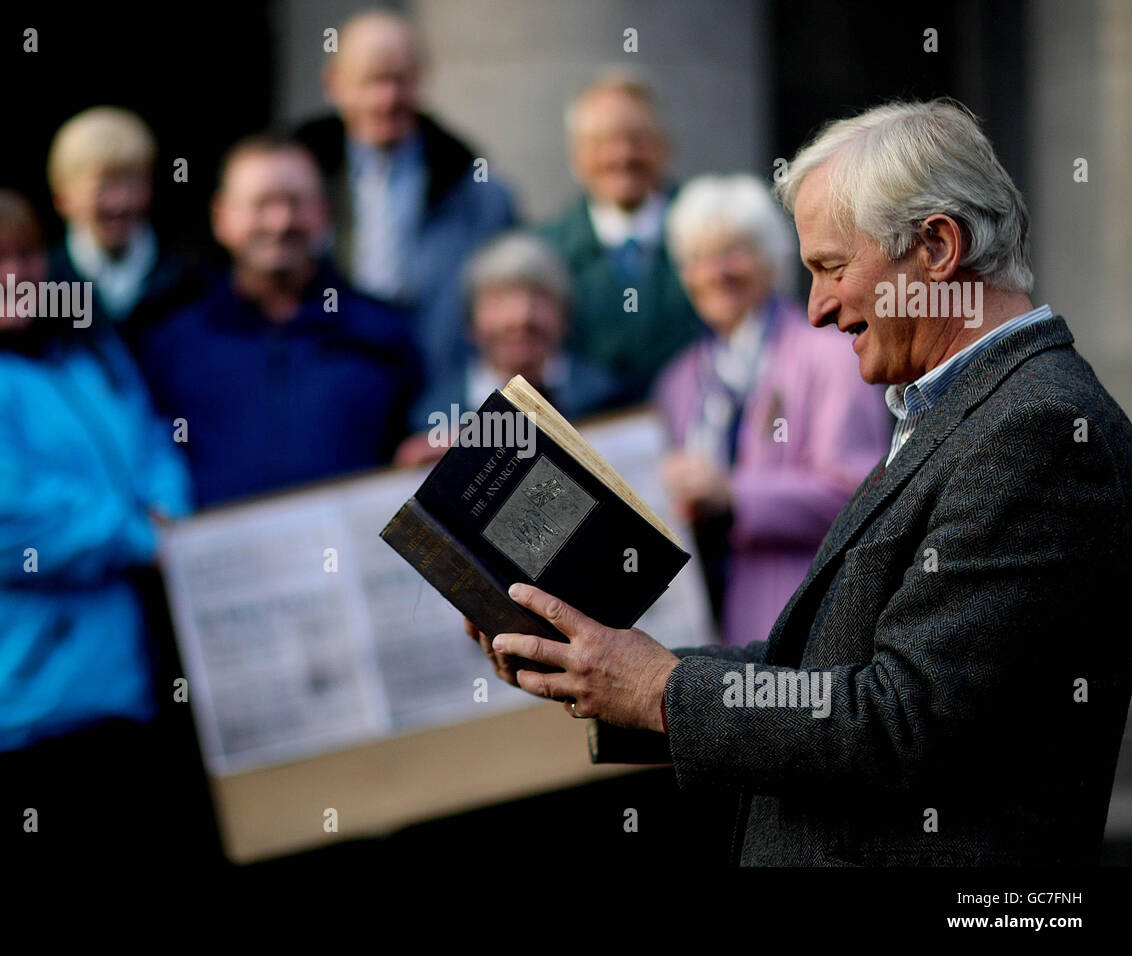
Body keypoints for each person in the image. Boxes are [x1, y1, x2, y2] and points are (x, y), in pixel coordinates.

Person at [466, 100, 1132, 866]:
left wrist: (661, 691)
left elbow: (898, 719)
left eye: (831, 267)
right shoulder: (968, 404)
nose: (816, 308)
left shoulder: (1036, 428)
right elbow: (826, 675)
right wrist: (604, 667)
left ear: (938, 249)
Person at [0, 189, 198, 873]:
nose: (13, 275)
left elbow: (151, 446)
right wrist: (142, 537)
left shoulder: (84, 359)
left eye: (26, 255)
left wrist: (171, 514)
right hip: (11, 711)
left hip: (111, 698)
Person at [654, 174, 890, 646]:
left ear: (772, 259)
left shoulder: (832, 357)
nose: (715, 272)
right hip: (698, 634)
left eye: (733, 252)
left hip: (807, 626)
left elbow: (860, 494)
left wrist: (732, 496)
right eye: (698, 258)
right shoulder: (676, 382)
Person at [138, 136, 421, 507]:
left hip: (354, 557)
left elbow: (419, 444)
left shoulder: (384, 331)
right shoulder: (173, 341)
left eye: (295, 203)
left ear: (323, 213)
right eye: (261, 204)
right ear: (221, 218)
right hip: (215, 558)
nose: (280, 221)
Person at [293, 9, 516, 385]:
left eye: (400, 80)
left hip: (439, 397)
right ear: (334, 85)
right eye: (371, 82)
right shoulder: (297, 186)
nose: (387, 98)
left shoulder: (478, 193)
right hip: (331, 383)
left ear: (421, 81)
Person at [538, 71, 702, 403]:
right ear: (576, 156)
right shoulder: (543, 253)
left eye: (637, 139)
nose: (622, 156)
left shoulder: (710, 237)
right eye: (602, 142)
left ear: (664, 146)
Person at [395, 231, 625, 467]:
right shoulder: (432, 419)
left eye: (538, 299)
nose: (520, 317)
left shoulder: (606, 399)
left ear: (565, 316)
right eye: (500, 301)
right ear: (470, 324)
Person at [46, 106, 205, 353]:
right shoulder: (44, 285)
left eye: (133, 184)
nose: (121, 203)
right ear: (63, 197)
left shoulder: (190, 278)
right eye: (103, 188)